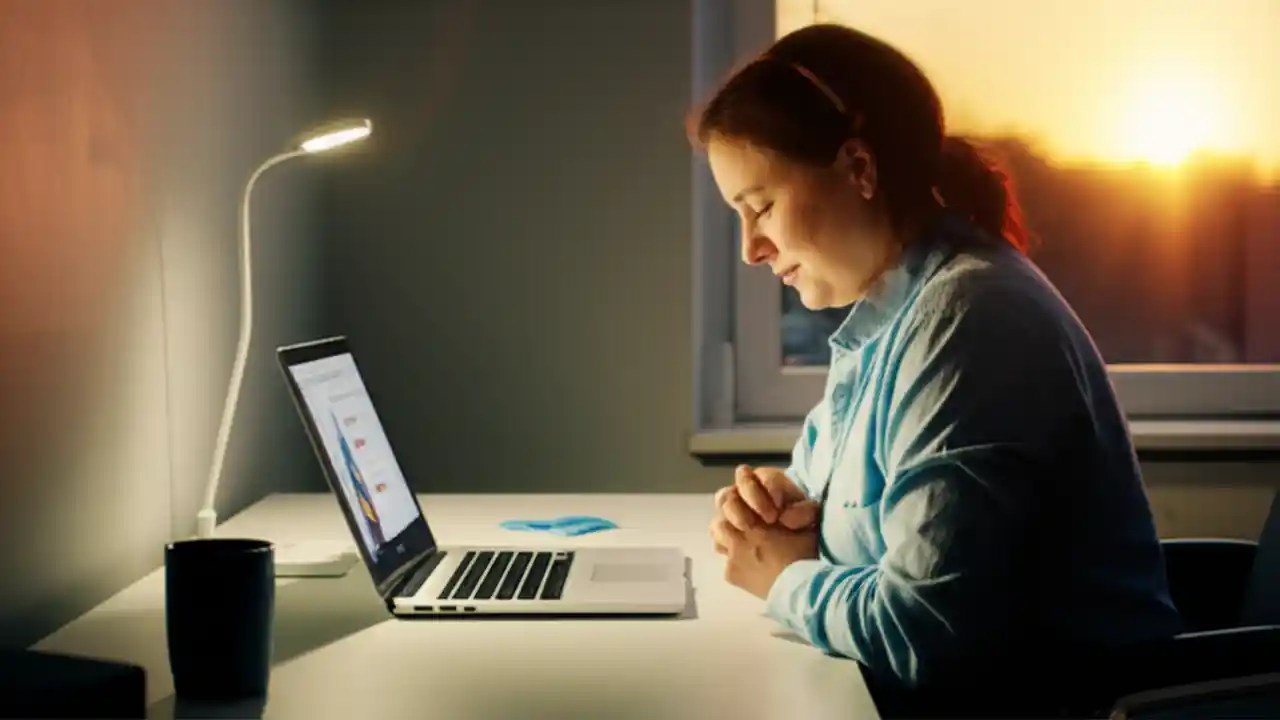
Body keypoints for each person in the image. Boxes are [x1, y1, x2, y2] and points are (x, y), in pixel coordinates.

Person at [691, 23, 1182, 714]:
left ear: (859, 169)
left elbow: (927, 631)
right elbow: (846, 506)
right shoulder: (888, 314)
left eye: (761, 206)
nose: (752, 249)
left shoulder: (969, 320)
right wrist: (779, 501)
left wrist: (784, 579)